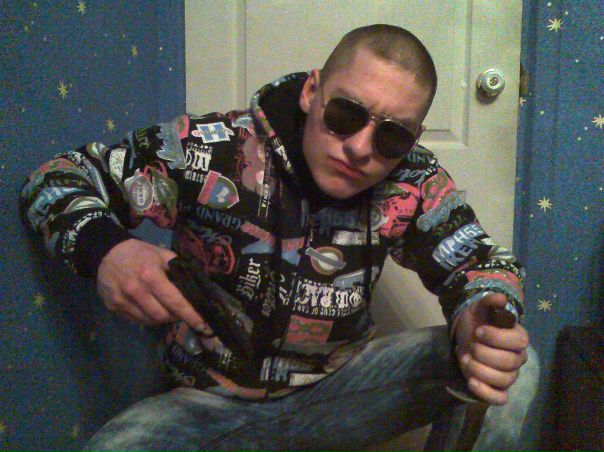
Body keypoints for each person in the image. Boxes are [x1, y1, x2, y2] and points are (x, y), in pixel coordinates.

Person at [20, 24, 537, 451]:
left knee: (510, 367)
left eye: (391, 135)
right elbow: (57, 177)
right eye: (346, 114)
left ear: (412, 140)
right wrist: (106, 249)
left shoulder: (412, 180)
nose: (360, 148)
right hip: (207, 405)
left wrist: (477, 314)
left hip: (341, 393)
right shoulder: (211, 150)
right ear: (312, 92)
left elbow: (480, 263)